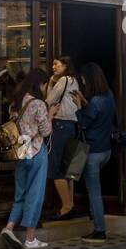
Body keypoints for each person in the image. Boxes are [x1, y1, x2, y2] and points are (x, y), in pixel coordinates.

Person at [0, 67, 52, 249]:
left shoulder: (15, 103)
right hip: (36, 151)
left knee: (20, 193)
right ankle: (30, 238)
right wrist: (50, 115)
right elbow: (46, 131)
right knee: (35, 195)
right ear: (40, 84)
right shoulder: (38, 104)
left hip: (20, 152)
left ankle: (9, 227)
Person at [72, 62, 116, 243]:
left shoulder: (96, 102)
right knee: (94, 189)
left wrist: (77, 106)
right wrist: (84, 102)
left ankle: (99, 230)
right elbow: (97, 115)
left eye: (83, 78)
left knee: (94, 191)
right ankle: (95, 219)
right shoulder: (109, 96)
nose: (82, 81)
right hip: (106, 150)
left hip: (92, 152)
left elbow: (83, 122)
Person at [45, 56, 81, 220]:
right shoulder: (75, 80)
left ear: (65, 66)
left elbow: (49, 100)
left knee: (55, 167)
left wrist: (51, 83)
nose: (53, 67)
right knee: (69, 168)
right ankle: (71, 204)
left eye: (56, 64)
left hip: (60, 125)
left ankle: (66, 206)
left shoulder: (63, 80)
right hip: (72, 126)